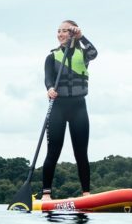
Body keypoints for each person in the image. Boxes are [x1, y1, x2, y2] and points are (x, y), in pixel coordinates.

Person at [41, 20, 98, 201]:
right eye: (58, 31)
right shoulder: (52, 57)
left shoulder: (83, 54)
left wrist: (82, 37)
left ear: (72, 33)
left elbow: (94, 53)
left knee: (81, 153)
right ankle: (46, 194)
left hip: (78, 107)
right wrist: (50, 88)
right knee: (53, 152)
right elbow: (48, 79)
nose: (60, 34)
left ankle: (86, 194)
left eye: (65, 31)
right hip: (58, 107)